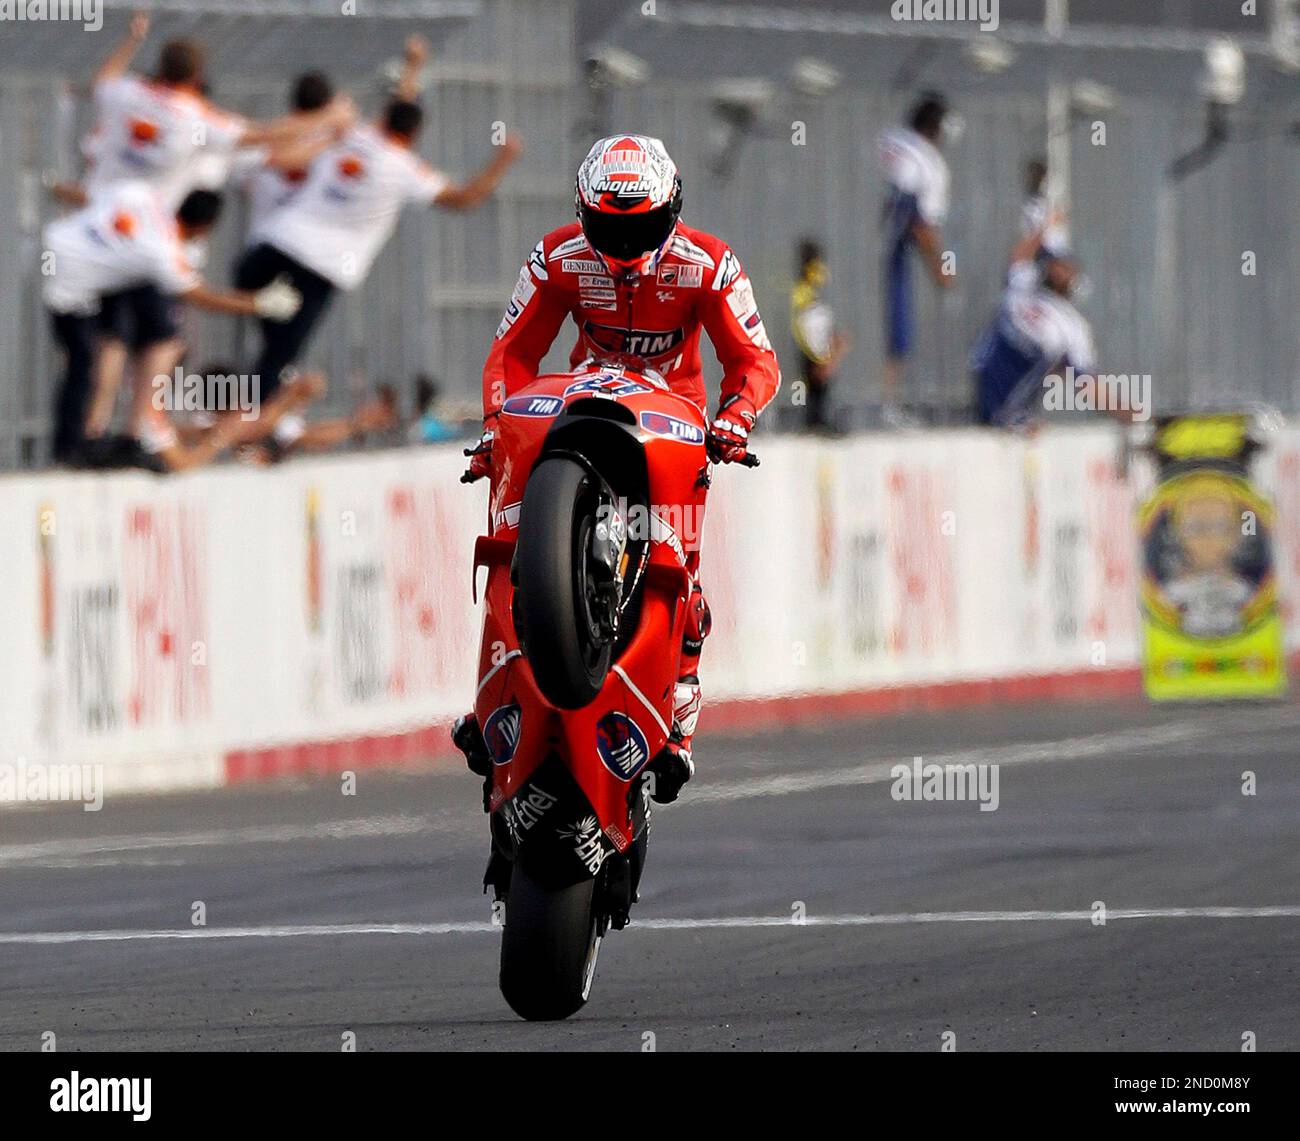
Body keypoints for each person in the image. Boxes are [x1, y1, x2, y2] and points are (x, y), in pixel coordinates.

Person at [456, 134, 782, 803]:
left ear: (673, 212)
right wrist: (495, 430)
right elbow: (513, 353)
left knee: (681, 564)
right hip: (582, 402)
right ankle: (491, 695)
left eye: (642, 228)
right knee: (506, 507)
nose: (626, 246)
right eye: (609, 227)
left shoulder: (710, 265)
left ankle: (677, 729)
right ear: (582, 214)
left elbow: (755, 359)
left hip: (673, 423)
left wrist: (736, 416)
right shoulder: (557, 257)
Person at [235, 96, 523, 399]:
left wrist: (412, 66)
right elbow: (464, 198)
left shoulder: (355, 134)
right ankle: (252, 418)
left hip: (276, 244)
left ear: (383, 118)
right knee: (278, 356)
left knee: (254, 311)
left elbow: (399, 100)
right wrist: (503, 159)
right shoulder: (405, 168)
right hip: (322, 267)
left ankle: (247, 399)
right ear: (414, 135)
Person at [43, 181, 301, 462]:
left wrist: (54, 186)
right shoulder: (163, 253)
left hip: (51, 245)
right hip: (67, 285)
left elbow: (89, 196)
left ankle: (88, 439)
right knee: (84, 363)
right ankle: (74, 447)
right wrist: (259, 303)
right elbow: (200, 296)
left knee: (98, 353)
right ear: (203, 229)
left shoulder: (142, 195)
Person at [969, 214, 1095, 427]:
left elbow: (1087, 381)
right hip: (979, 382)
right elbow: (1019, 255)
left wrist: (1132, 414)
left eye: (1064, 266)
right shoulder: (1025, 285)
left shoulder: (1073, 327)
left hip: (1006, 409)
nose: (1055, 265)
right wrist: (1045, 225)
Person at [878, 92, 954, 426]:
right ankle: (886, 404)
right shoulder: (930, 164)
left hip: (870, 240)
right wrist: (941, 267)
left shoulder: (888, 139)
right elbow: (923, 224)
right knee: (897, 324)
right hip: (894, 248)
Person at [790, 239, 849, 432]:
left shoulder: (809, 292)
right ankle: (813, 420)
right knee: (814, 388)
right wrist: (820, 356)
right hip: (812, 351)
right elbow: (806, 326)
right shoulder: (803, 293)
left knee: (819, 390)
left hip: (816, 350)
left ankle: (818, 419)